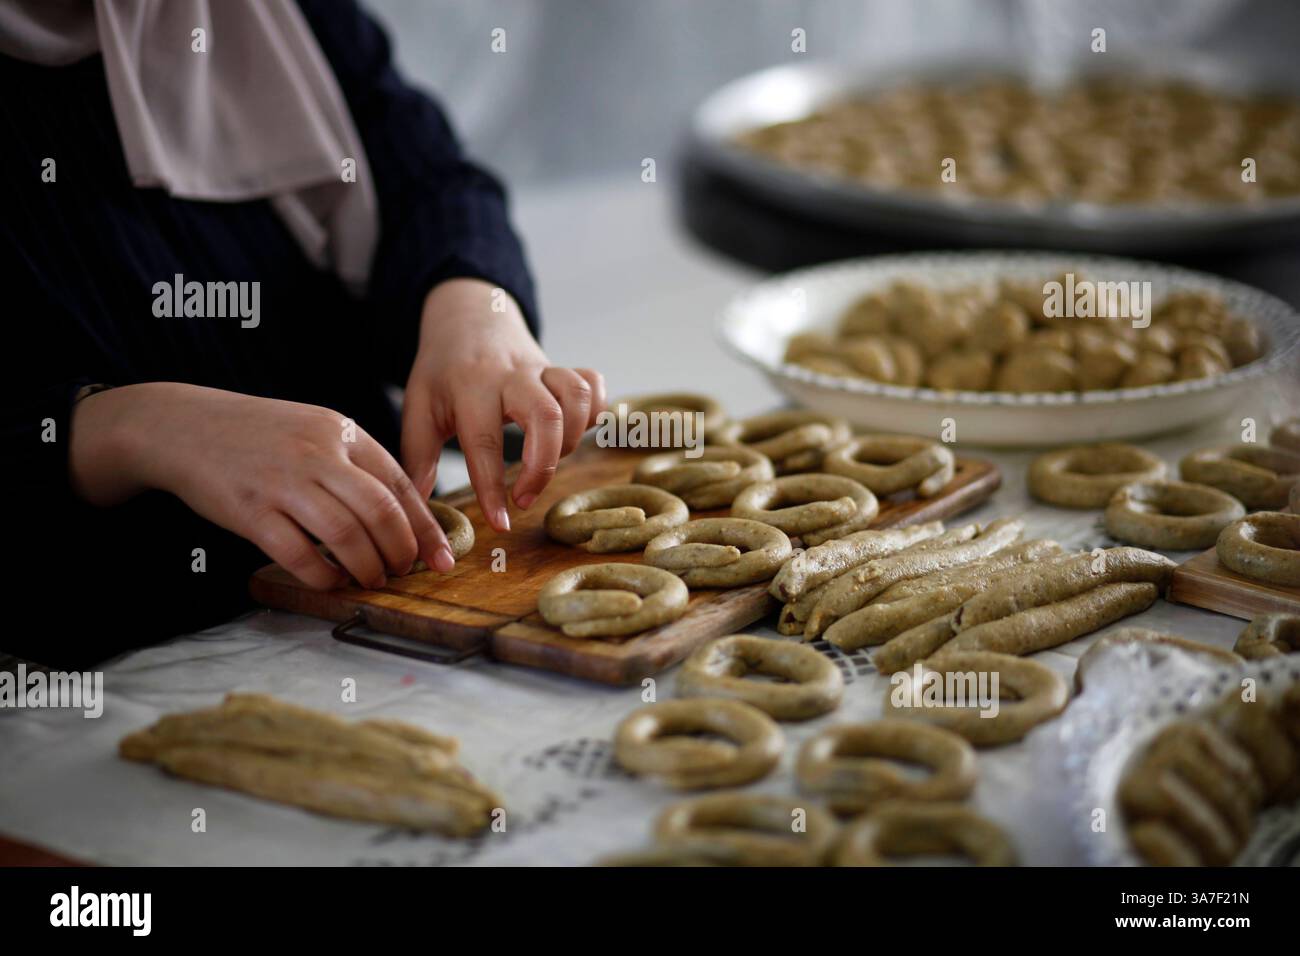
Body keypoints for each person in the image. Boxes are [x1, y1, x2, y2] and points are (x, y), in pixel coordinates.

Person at [0, 0, 605, 668]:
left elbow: (427, 180)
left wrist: (469, 302)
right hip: (98, 660)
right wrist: (128, 428)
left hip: (398, 600)